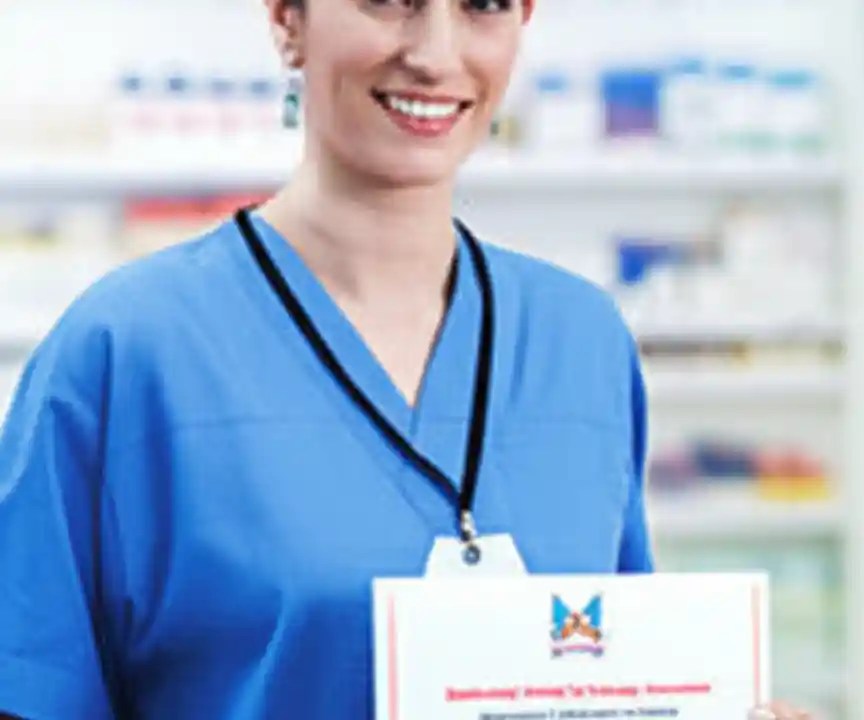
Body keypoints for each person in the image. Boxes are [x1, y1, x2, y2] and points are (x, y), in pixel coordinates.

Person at [0, 0, 811, 718]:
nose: (435, 53)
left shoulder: (583, 341)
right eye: (389, 0)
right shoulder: (126, 351)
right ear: (286, 18)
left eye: (483, 4)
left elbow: (615, 684)